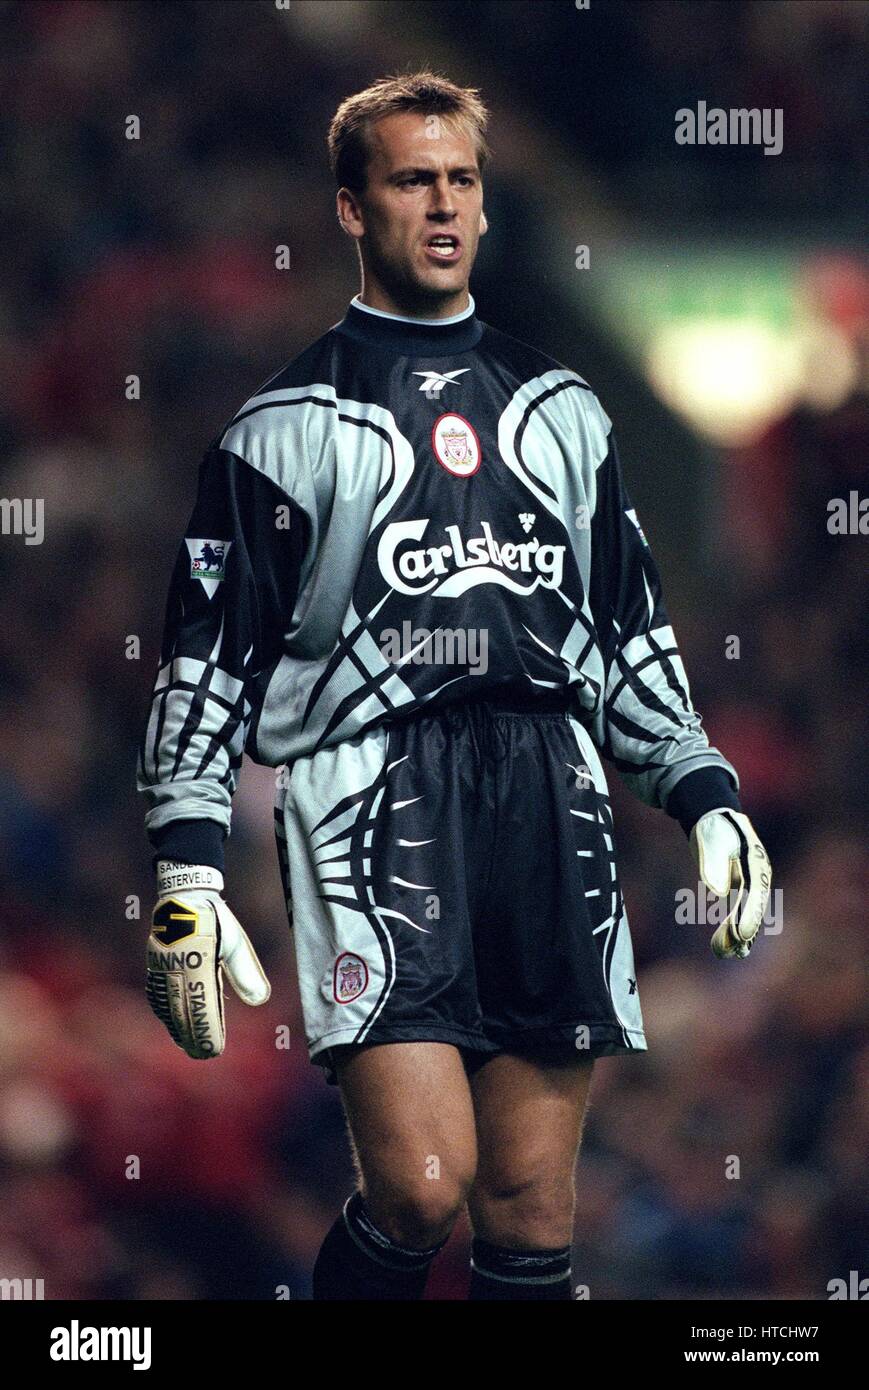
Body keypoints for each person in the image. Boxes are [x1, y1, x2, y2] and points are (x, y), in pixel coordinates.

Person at [137, 71, 772, 1301]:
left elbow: (627, 626)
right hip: (374, 799)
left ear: (486, 206)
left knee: (531, 1212)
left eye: (463, 179)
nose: (442, 203)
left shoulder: (566, 411)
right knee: (422, 1183)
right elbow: (204, 657)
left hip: (551, 795)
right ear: (348, 207)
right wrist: (185, 864)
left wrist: (705, 795)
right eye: (411, 178)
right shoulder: (280, 426)